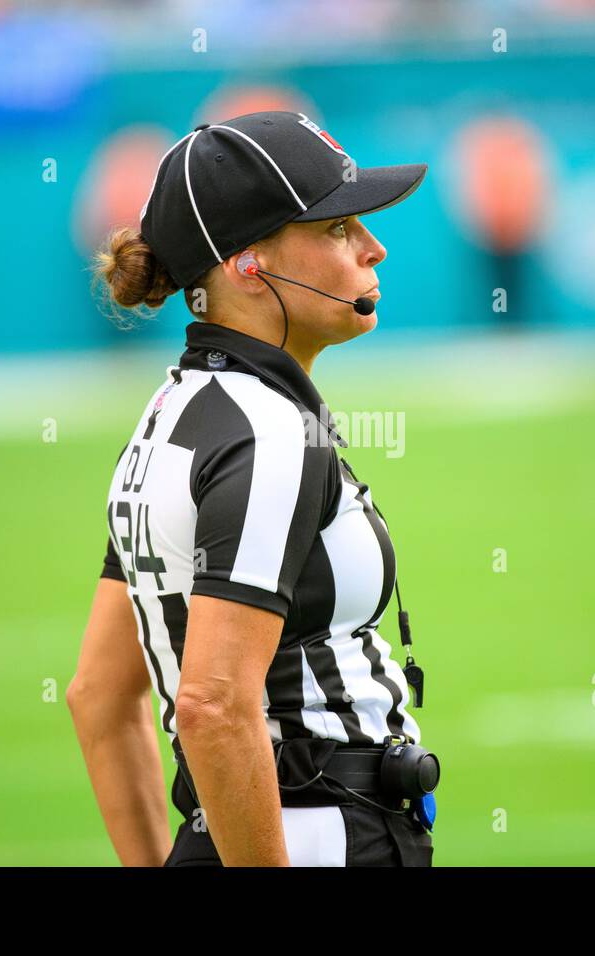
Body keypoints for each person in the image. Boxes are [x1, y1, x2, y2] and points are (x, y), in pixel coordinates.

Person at [67, 110, 439, 867]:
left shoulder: (171, 414)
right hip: (320, 835)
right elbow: (209, 705)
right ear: (248, 264)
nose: (374, 247)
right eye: (337, 229)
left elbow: (98, 698)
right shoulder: (266, 430)